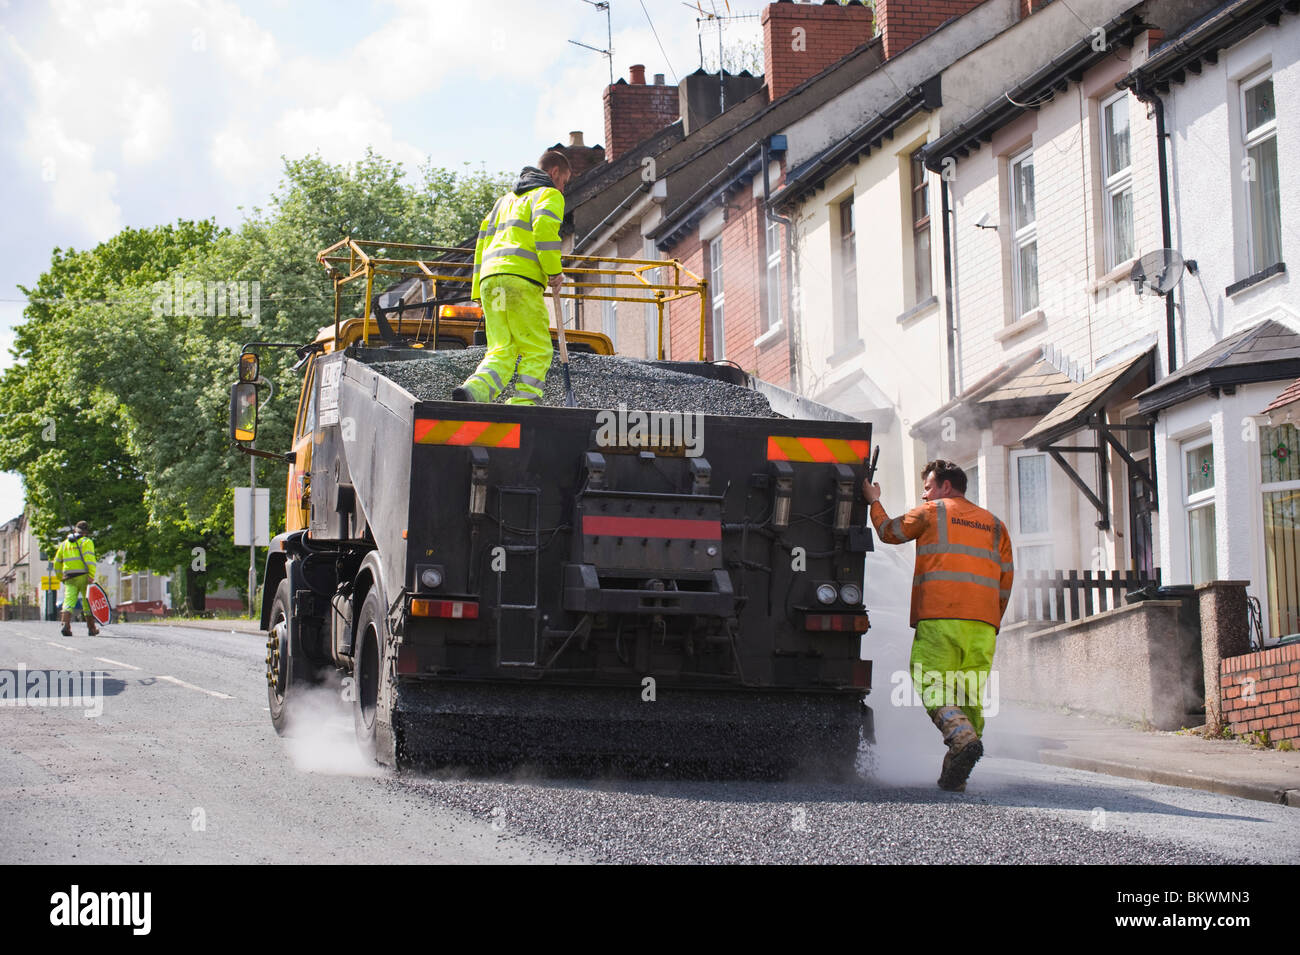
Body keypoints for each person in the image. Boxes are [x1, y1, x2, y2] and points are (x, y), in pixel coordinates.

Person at [863, 460, 1013, 791]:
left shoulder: (932, 513)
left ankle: (960, 737)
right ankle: (954, 774)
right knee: (968, 693)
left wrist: (873, 499)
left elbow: (890, 532)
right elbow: (1006, 580)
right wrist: (991, 619)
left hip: (941, 617)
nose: (924, 493)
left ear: (946, 487)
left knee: (931, 680)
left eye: (929, 486)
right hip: (984, 626)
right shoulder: (996, 526)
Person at [452, 150, 572, 406]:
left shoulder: (502, 202)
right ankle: (524, 403)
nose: (563, 188)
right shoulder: (548, 194)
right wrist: (554, 271)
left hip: (492, 283)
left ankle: (475, 391)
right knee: (537, 347)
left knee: (500, 346)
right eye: (564, 181)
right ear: (554, 173)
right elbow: (545, 232)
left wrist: (477, 293)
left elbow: (481, 245)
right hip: (521, 282)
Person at [53, 520, 99, 637]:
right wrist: (91, 575)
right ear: (86, 532)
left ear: (75, 530)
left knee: (68, 601)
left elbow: (57, 562)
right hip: (83, 576)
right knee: (87, 602)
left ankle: (65, 624)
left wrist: (60, 577)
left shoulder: (64, 544)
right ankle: (91, 628)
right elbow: (90, 560)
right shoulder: (87, 542)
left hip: (69, 577)